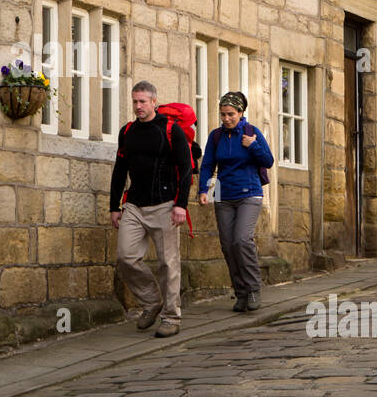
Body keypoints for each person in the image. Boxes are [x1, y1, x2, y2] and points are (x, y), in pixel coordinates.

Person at [109, 81, 194, 337]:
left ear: (154, 101)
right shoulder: (127, 132)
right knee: (126, 257)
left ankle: (171, 317)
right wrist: (114, 206)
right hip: (134, 204)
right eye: (135, 101)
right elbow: (119, 170)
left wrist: (181, 205)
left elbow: (186, 169)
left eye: (143, 101)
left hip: (165, 206)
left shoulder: (171, 130)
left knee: (168, 264)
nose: (138, 106)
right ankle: (151, 302)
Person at [198, 91, 274, 312]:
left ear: (241, 113)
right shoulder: (216, 136)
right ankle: (240, 293)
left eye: (231, 114)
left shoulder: (251, 133)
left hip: (250, 193)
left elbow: (268, 161)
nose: (226, 118)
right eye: (223, 114)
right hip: (223, 195)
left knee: (242, 239)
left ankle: (253, 289)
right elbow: (207, 165)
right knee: (228, 246)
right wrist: (204, 190)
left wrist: (253, 145)